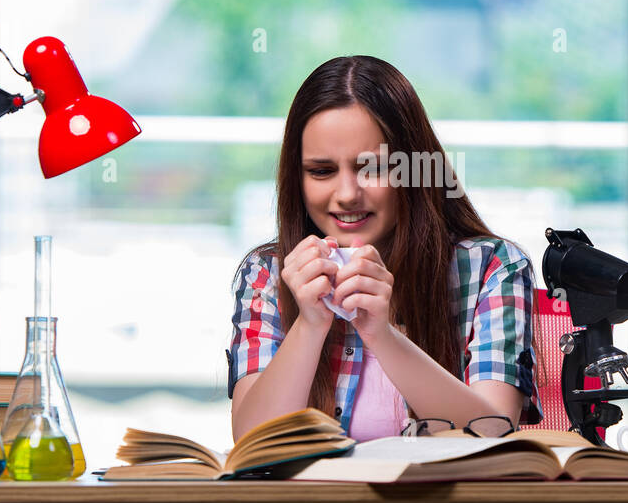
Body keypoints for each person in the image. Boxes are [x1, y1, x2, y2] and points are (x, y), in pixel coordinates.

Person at [226, 55, 542, 443]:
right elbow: (251, 444)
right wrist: (309, 325)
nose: (346, 195)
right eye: (321, 171)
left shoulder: (492, 267)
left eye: (372, 168)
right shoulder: (268, 273)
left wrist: (382, 334)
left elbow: (494, 433)